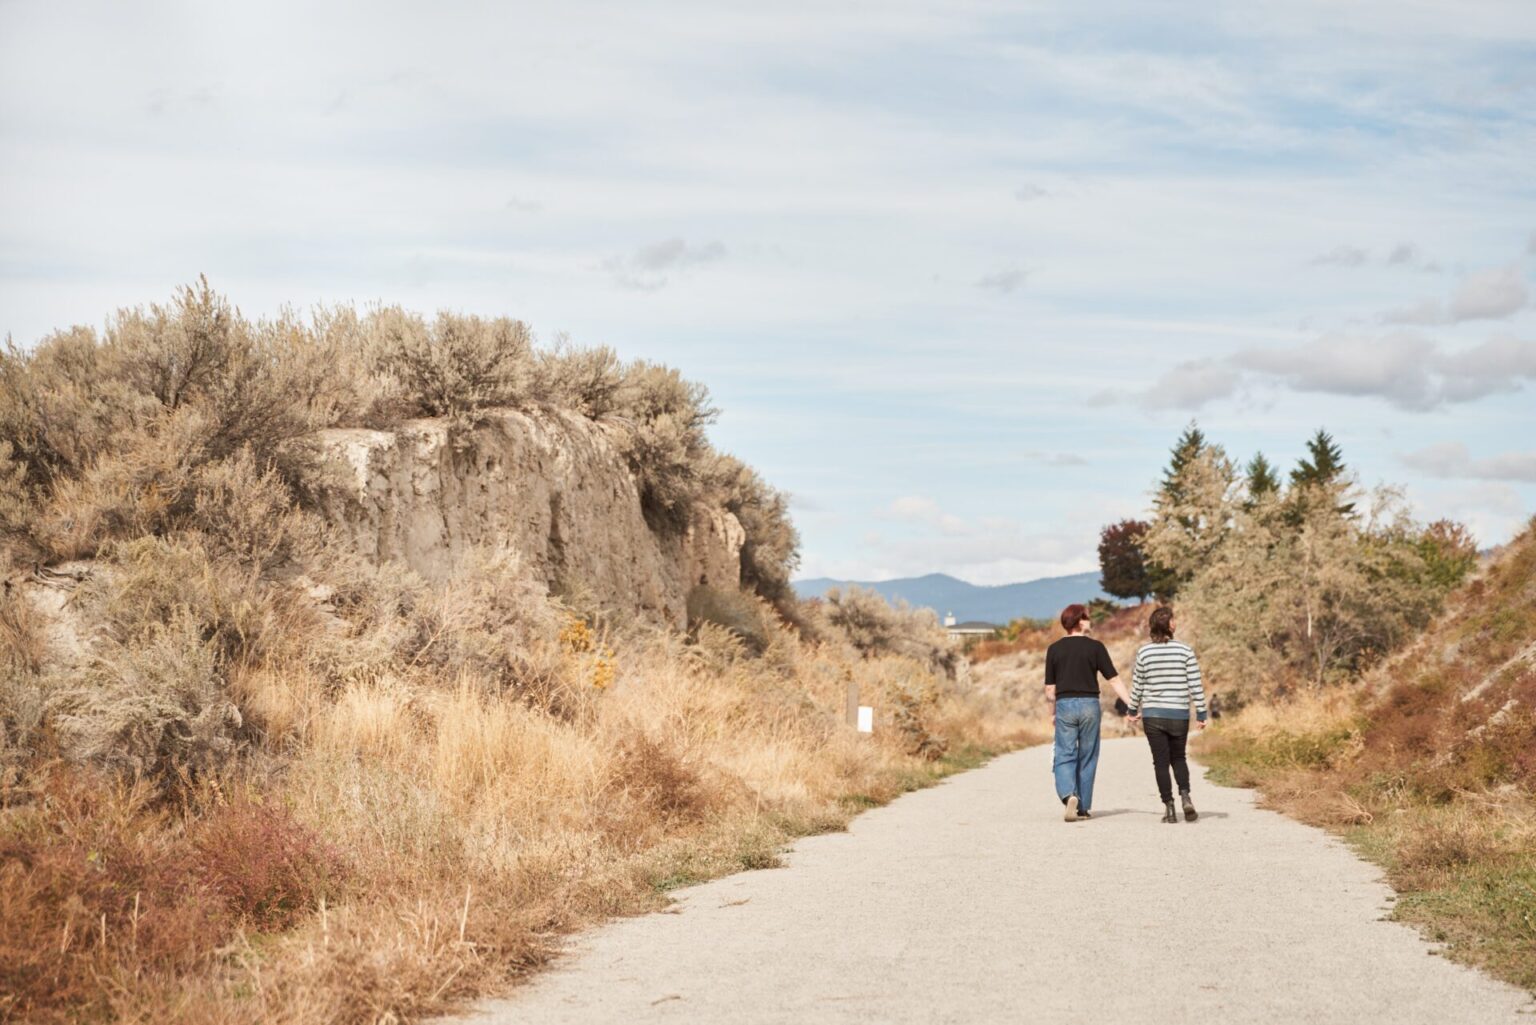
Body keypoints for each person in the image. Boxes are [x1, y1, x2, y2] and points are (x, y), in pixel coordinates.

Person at [1044, 603, 1133, 822]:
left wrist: (1052, 713)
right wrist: (1132, 704)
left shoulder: (1054, 649)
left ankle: (1069, 795)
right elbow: (1114, 679)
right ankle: (1083, 807)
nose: (1090, 621)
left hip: (1065, 704)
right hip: (1090, 705)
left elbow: (1050, 690)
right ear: (1080, 621)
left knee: (1064, 753)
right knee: (1088, 755)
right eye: (1087, 617)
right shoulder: (1096, 647)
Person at [1126, 606, 1208, 823]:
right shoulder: (1185, 651)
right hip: (1178, 713)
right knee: (1179, 758)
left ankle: (1169, 808)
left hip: (1153, 715)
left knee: (1160, 762)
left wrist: (1132, 710)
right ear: (1170, 625)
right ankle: (1185, 796)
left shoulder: (1144, 652)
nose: (1175, 622)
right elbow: (1195, 684)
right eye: (1173, 619)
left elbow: (1138, 685)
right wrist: (1201, 712)